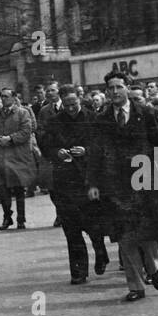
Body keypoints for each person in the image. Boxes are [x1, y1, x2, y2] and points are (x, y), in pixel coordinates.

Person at [86, 76, 158, 303]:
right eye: (110, 88)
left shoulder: (147, 113)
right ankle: (136, 286)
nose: (115, 91)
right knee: (125, 237)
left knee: (148, 233)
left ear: (127, 89)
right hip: (115, 186)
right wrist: (93, 183)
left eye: (119, 87)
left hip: (145, 181)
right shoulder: (101, 120)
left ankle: (154, 268)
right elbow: (95, 152)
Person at [40, 86, 108, 284]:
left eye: (74, 104)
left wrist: (86, 150)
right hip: (65, 180)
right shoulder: (54, 122)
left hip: (89, 179)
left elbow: (103, 144)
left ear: (80, 99)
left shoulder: (92, 118)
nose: (71, 108)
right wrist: (57, 152)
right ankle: (78, 271)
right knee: (71, 228)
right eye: (67, 105)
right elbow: (46, 146)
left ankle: (100, 251)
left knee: (93, 224)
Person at [0, 87, 37, 230]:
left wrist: (10, 139)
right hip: (0, 158)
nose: (3, 99)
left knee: (19, 189)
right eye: (2, 96)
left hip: (17, 156)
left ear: (14, 98)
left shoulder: (22, 113)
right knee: (2, 189)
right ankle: (7, 217)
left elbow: (27, 131)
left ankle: (21, 219)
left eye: (6, 96)